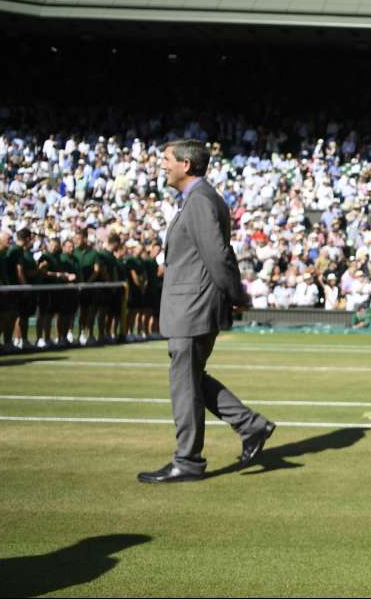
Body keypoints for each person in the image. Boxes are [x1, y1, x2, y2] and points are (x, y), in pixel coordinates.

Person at [138, 139, 273, 484]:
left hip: (191, 307)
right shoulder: (200, 198)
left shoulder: (199, 200)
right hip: (192, 304)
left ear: (186, 164)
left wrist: (236, 294)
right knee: (193, 379)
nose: (162, 165)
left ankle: (188, 460)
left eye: (166, 159)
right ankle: (251, 426)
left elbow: (218, 255)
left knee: (185, 385)